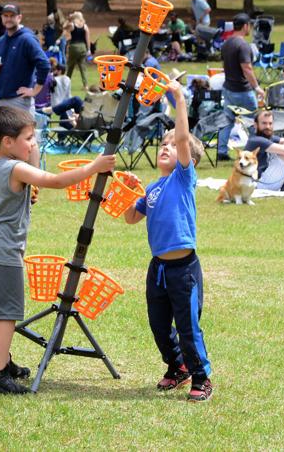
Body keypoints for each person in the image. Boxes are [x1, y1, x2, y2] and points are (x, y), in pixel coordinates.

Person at [0, 105, 115, 394]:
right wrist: (94, 167)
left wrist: (16, 201)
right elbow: (54, 181)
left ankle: (4, 361)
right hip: (4, 251)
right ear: (7, 142)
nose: (33, 144)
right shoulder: (16, 167)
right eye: (28, 139)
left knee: (0, 312)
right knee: (6, 314)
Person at [122, 80, 213, 402]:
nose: (166, 147)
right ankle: (177, 367)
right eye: (163, 143)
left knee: (188, 328)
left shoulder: (184, 177)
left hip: (184, 270)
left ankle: (201, 377)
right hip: (158, 267)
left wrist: (178, 98)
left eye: (173, 145)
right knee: (160, 326)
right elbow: (130, 218)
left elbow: (184, 137)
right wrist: (131, 194)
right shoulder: (152, 188)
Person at [0, 3, 51, 115]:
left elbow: (44, 64)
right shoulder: (0, 42)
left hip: (20, 101)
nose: (8, 19)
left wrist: (35, 90)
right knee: (4, 133)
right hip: (1, 100)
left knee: (23, 133)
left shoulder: (27, 39)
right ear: (1, 17)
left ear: (19, 17)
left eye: (12, 16)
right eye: (5, 16)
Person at [219, 13, 264, 161]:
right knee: (253, 121)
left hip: (228, 88)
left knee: (227, 120)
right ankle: (254, 150)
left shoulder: (226, 43)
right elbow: (247, 68)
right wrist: (256, 87)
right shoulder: (243, 45)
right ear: (245, 26)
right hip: (243, 91)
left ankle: (221, 151)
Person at [64, 12, 91, 88]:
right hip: (83, 47)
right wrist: (89, 49)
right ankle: (85, 85)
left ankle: (66, 83)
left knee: (70, 66)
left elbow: (64, 27)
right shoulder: (85, 26)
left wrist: (68, 19)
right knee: (82, 67)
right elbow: (87, 38)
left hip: (74, 46)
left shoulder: (72, 25)